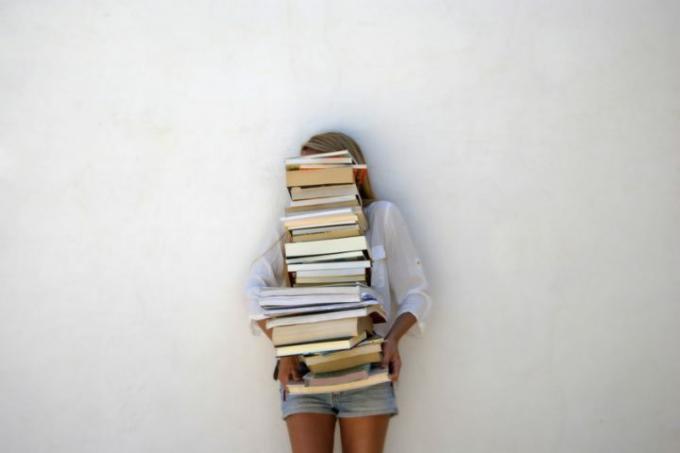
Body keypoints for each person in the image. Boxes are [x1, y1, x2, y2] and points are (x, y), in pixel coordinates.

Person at [244, 132, 432, 453]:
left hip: (368, 373)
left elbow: (417, 293)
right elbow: (254, 290)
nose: (312, 179)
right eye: (303, 171)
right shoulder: (291, 225)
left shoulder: (382, 215)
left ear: (353, 171)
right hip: (304, 373)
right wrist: (284, 350)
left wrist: (393, 340)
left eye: (321, 168)